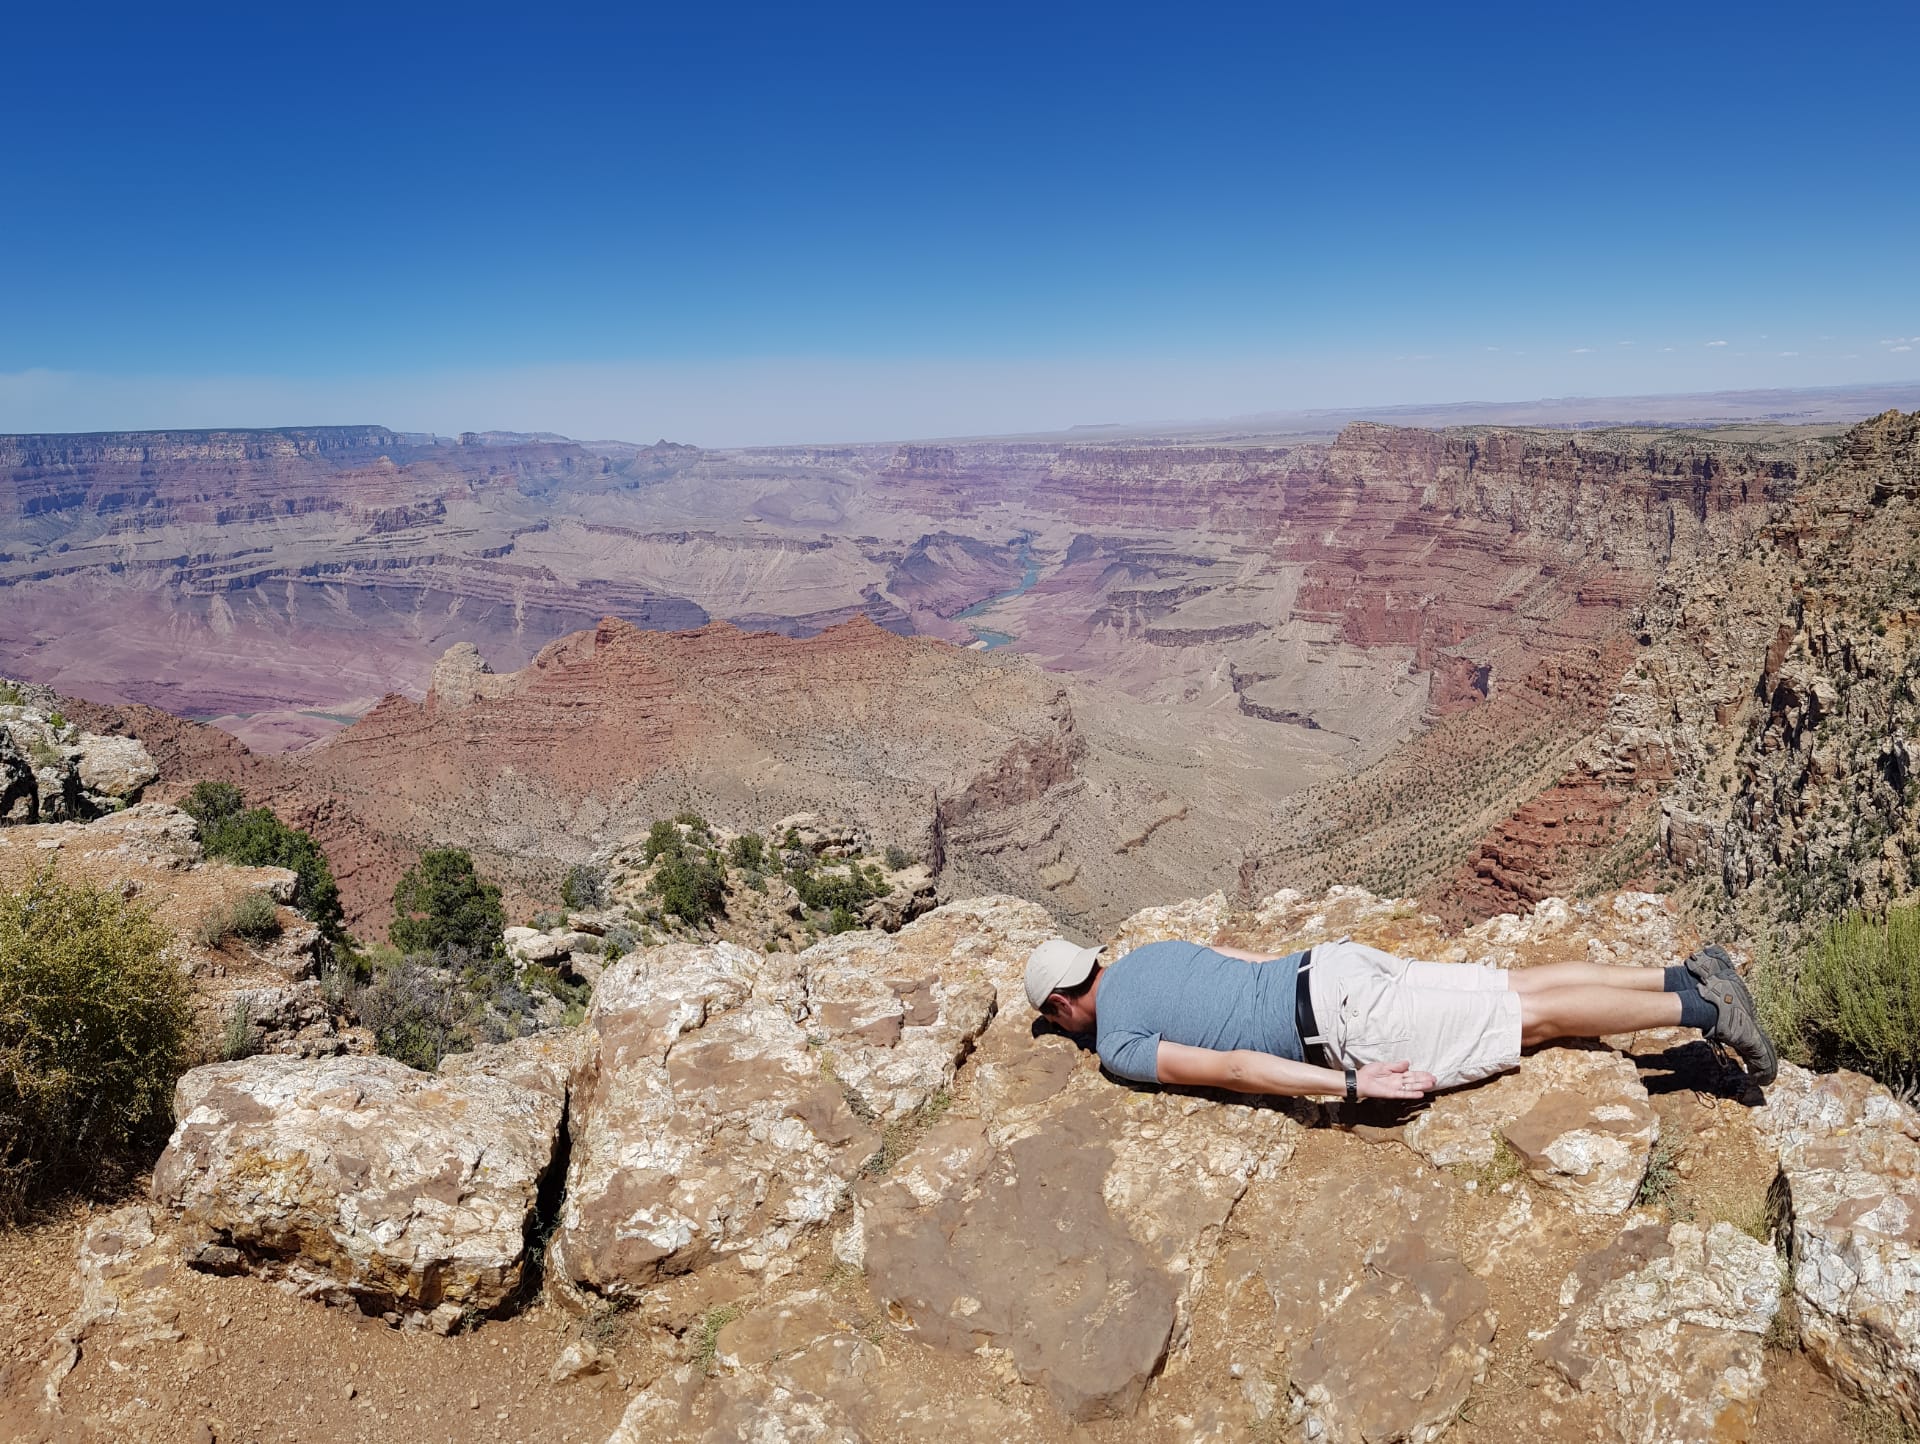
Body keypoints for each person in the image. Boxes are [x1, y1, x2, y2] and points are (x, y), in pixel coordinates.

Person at [1024, 934, 1776, 1103]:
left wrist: (1352, 1085)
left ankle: (1703, 1007)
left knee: (1530, 1017)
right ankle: (1685, 973)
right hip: (1331, 965)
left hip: (1339, 1020)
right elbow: (1240, 959)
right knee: (1512, 983)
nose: (1064, 1031)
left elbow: (1234, 1069)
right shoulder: (1146, 953)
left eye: (1056, 1023)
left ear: (1060, 1005)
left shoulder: (1116, 1044)